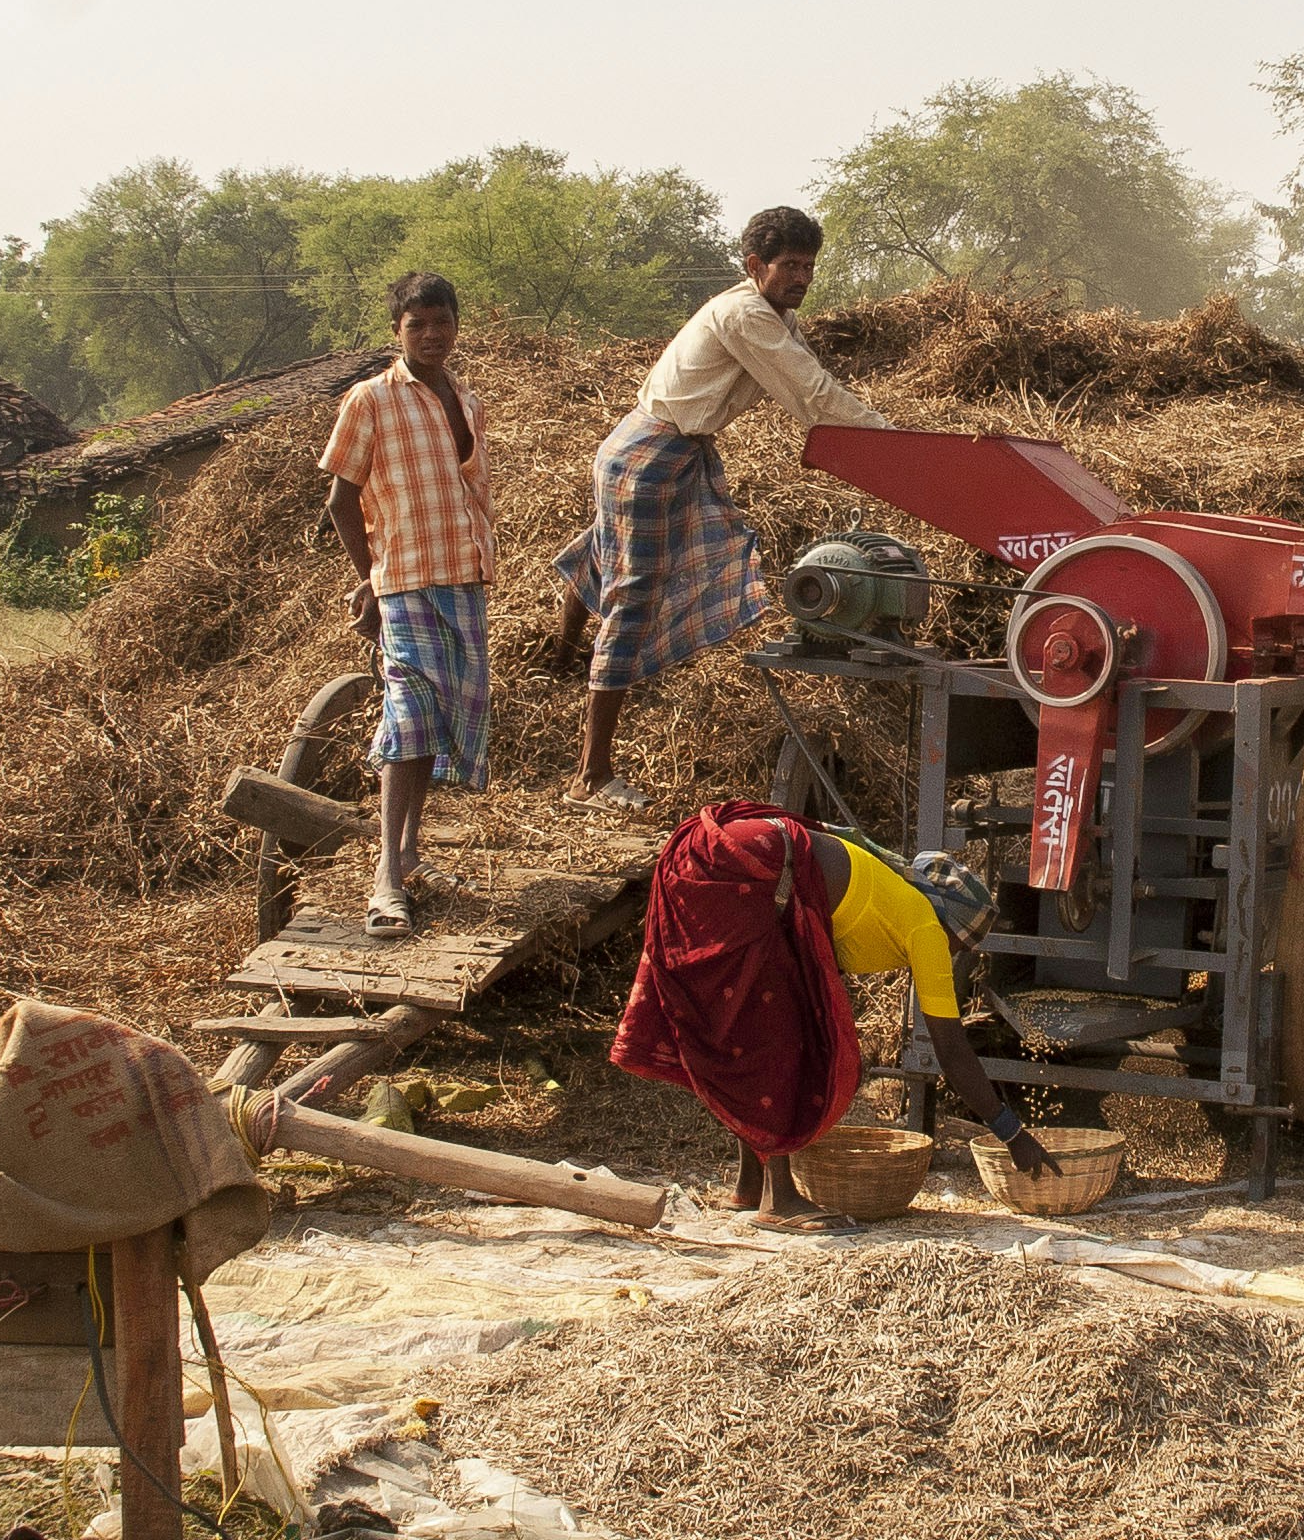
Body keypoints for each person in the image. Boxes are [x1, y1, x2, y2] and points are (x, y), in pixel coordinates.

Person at [553, 207, 890, 812]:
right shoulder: (744, 314)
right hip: (652, 457)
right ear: (755, 265)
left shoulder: (776, 318)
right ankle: (591, 774)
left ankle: (558, 658)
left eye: (809, 266)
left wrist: (867, 437)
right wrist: (894, 443)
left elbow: (810, 387)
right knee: (633, 598)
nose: (802, 278)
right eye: (789, 265)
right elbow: (811, 395)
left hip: (664, 450)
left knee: (605, 553)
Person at [612, 800, 1058, 1232]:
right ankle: (779, 1198)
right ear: (952, 924)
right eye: (962, 943)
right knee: (787, 1038)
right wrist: (1012, 1132)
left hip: (705, 850)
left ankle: (750, 1186)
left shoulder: (892, 892)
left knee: (752, 1026)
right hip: (750, 862)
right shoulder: (925, 925)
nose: (957, 955)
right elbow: (950, 1048)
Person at [322, 272, 494, 939]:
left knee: (440, 719)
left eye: (440, 321)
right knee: (409, 715)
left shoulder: (469, 402)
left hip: (465, 578)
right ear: (396, 331)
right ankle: (386, 877)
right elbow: (340, 502)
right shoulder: (370, 400)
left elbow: (472, 496)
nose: (430, 335)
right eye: (416, 324)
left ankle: (413, 854)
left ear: (457, 324)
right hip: (406, 582)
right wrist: (370, 578)